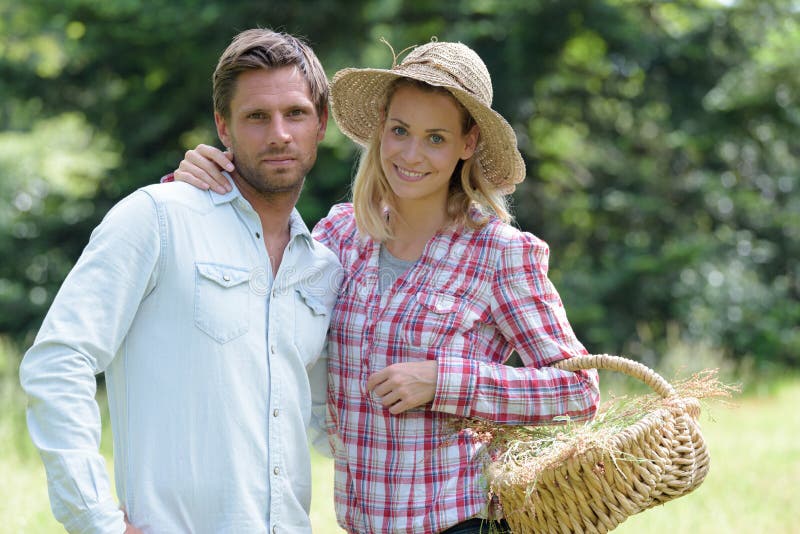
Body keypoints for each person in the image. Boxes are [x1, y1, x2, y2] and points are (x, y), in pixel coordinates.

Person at [173, 40, 600, 534]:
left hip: (465, 520)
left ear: (468, 143)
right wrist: (197, 191)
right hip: (360, 523)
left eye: (436, 138)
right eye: (400, 131)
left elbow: (578, 391)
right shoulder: (337, 238)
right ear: (381, 128)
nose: (411, 154)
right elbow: (251, 292)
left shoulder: (499, 253)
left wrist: (444, 382)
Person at [19, 29, 342, 534]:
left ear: (321, 123)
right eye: (257, 116)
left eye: (296, 113)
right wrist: (95, 521)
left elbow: (330, 427)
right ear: (223, 126)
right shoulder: (158, 217)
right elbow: (58, 359)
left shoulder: (323, 268)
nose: (279, 133)